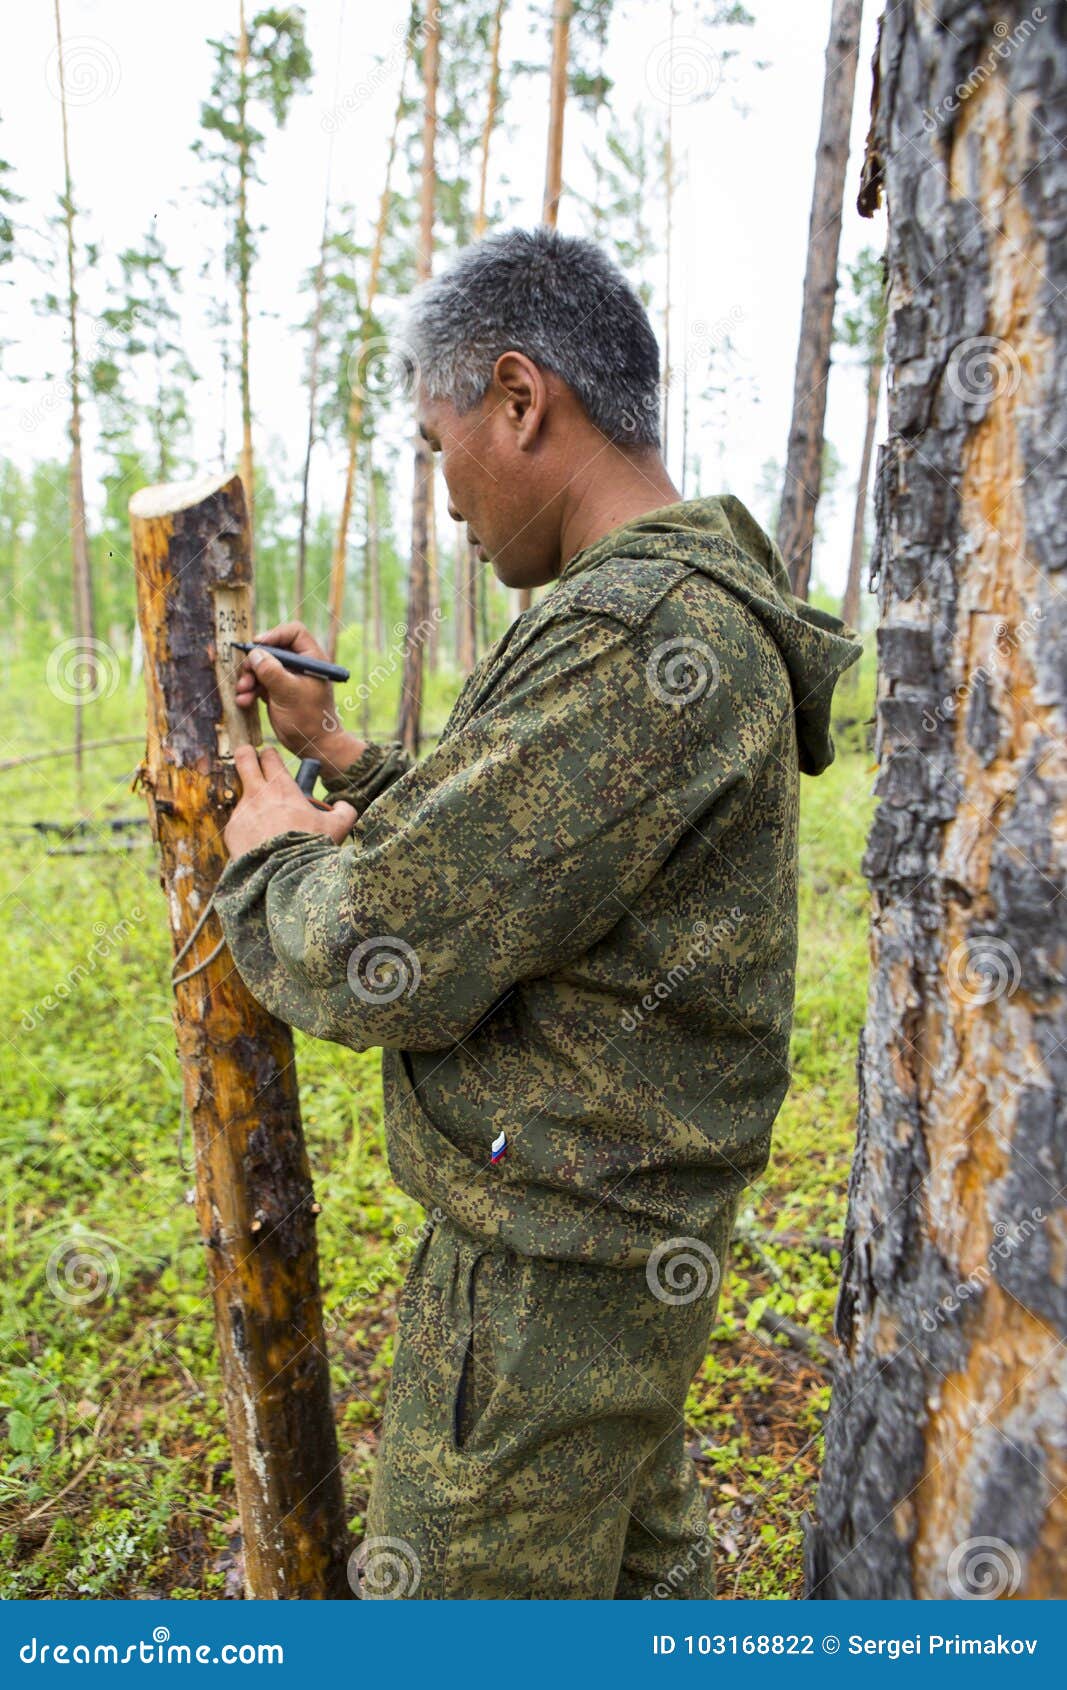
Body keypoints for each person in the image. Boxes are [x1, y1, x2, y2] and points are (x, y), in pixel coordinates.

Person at [214, 226, 863, 1600]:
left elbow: (384, 952)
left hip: (547, 1283)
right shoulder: (666, 614)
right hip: (614, 1264)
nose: (443, 489)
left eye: (436, 435)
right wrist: (338, 753)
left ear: (521, 401)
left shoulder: (636, 637)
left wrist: (268, 861)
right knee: (640, 1601)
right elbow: (528, 864)